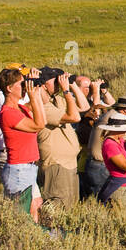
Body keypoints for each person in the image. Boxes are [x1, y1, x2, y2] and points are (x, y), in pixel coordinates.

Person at [0, 67, 46, 222]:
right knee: (24, 216)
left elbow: (41, 113)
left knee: (36, 205)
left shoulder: (21, 108)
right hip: (18, 170)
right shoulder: (8, 113)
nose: (25, 88)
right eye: (21, 85)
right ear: (9, 88)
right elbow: (40, 124)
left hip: (28, 168)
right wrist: (32, 95)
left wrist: (36, 93)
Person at [37, 70, 83, 215]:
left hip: (69, 164)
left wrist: (72, 85)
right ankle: (52, 236)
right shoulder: (43, 106)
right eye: (55, 80)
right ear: (44, 84)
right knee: (57, 208)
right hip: (56, 165)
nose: (59, 83)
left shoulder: (57, 101)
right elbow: (75, 117)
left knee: (70, 207)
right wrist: (66, 90)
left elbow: (84, 107)